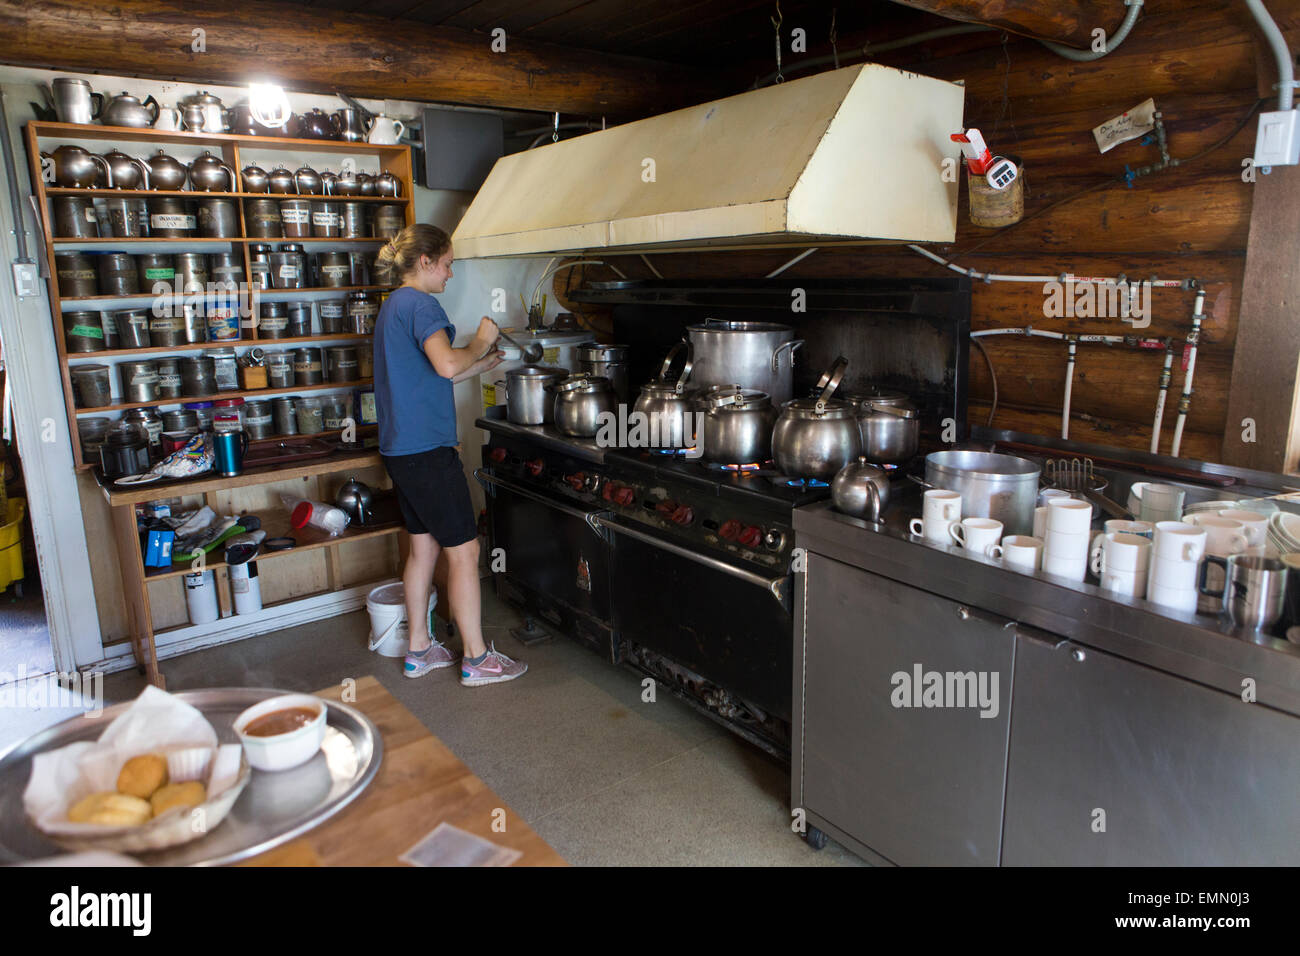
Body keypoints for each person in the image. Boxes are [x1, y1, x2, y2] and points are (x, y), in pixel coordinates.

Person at [372, 224, 527, 686]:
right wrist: (480, 339)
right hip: (427, 452)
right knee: (465, 551)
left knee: (423, 548)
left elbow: (432, 376)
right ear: (424, 262)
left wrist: (479, 364)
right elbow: (445, 363)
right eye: (447, 263)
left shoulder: (392, 308)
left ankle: (419, 648)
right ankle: (477, 659)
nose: (451, 273)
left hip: (401, 452)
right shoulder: (421, 304)